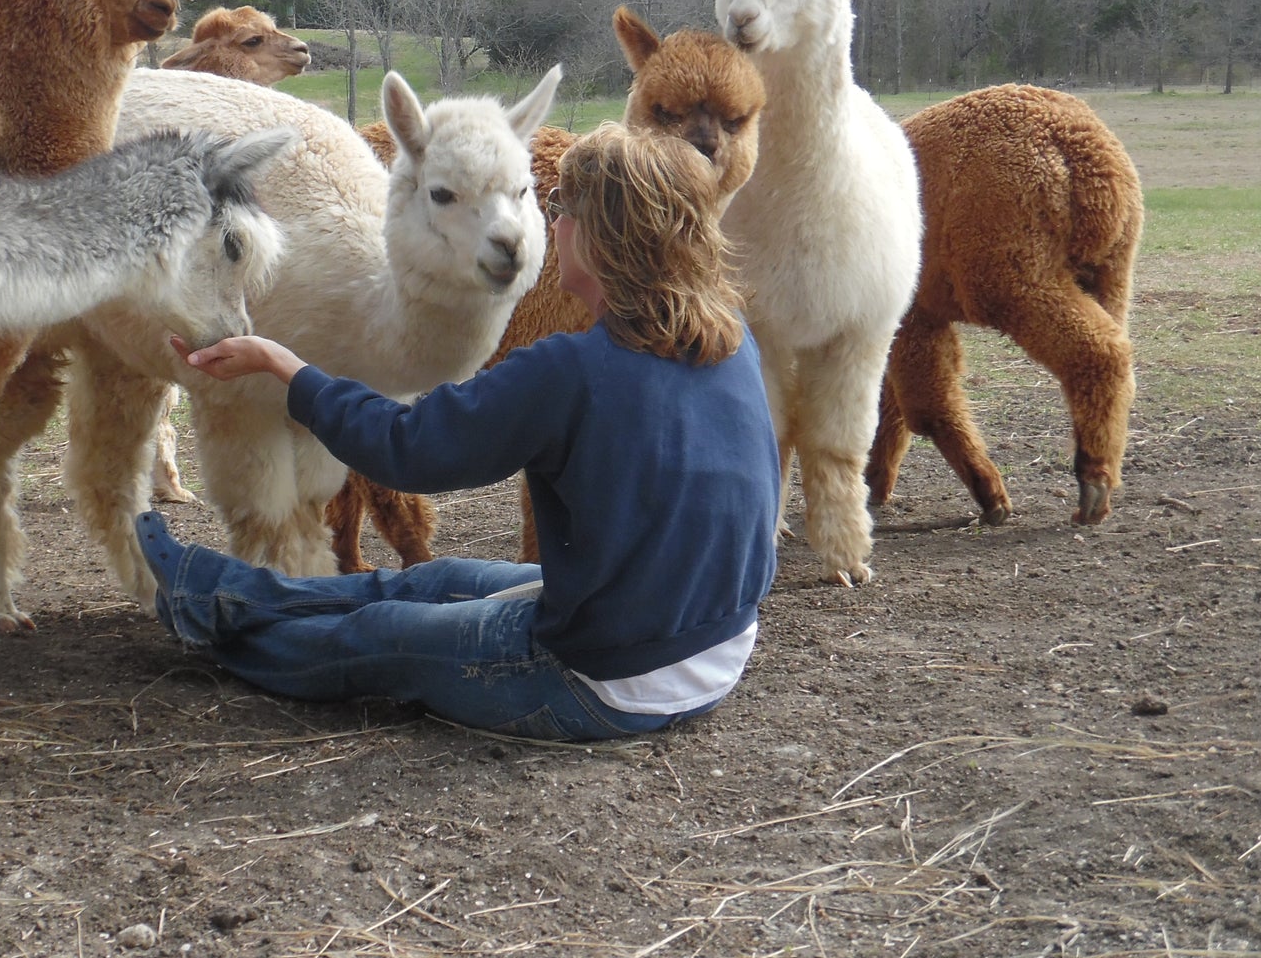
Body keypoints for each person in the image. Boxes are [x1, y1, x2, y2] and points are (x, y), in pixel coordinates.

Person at [136, 121, 779, 742]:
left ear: (602, 237)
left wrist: (286, 367)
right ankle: (226, 593)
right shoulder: (729, 340)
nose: (550, 225)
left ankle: (212, 623)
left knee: (381, 634)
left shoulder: (574, 369)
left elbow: (408, 448)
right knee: (428, 583)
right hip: (709, 644)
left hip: (604, 679)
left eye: (560, 207)